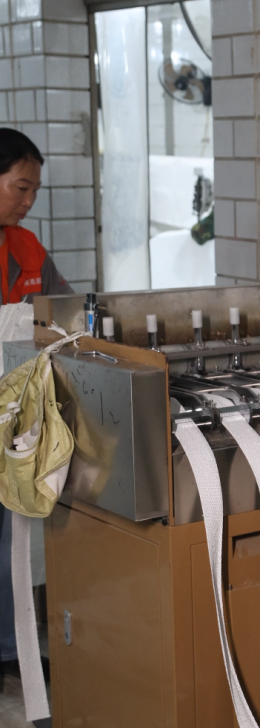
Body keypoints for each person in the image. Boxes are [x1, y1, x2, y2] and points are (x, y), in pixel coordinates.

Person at [0, 128, 74, 675]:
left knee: (11, 533)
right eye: (20, 188)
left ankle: (10, 649)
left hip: (12, 412)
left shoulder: (27, 250)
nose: (27, 201)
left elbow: (65, 315)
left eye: (34, 192)